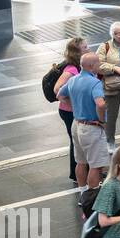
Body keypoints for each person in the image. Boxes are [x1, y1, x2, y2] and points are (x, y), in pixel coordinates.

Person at [66, 51, 108, 192]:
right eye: (98, 63)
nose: (99, 65)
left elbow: (60, 94)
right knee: (95, 165)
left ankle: (83, 193)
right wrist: (101, 120)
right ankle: (92, 195)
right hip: (91, 127)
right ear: (91, 66)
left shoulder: (73, 79)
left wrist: (75, 107)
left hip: (76, 124)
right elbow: (100, 104)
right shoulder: (94, 82)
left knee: (81, 162)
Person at [52, 36, 86, 182]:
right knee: (76, 142)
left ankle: (81, 170)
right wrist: (70, 103)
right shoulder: (71, 69)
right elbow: (57, 89)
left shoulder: (78, 66)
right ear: (78, 52)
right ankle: (75, 173)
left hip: (72, 110)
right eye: (85, 47)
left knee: (78, 141)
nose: (88, 48)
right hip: (69, 112)